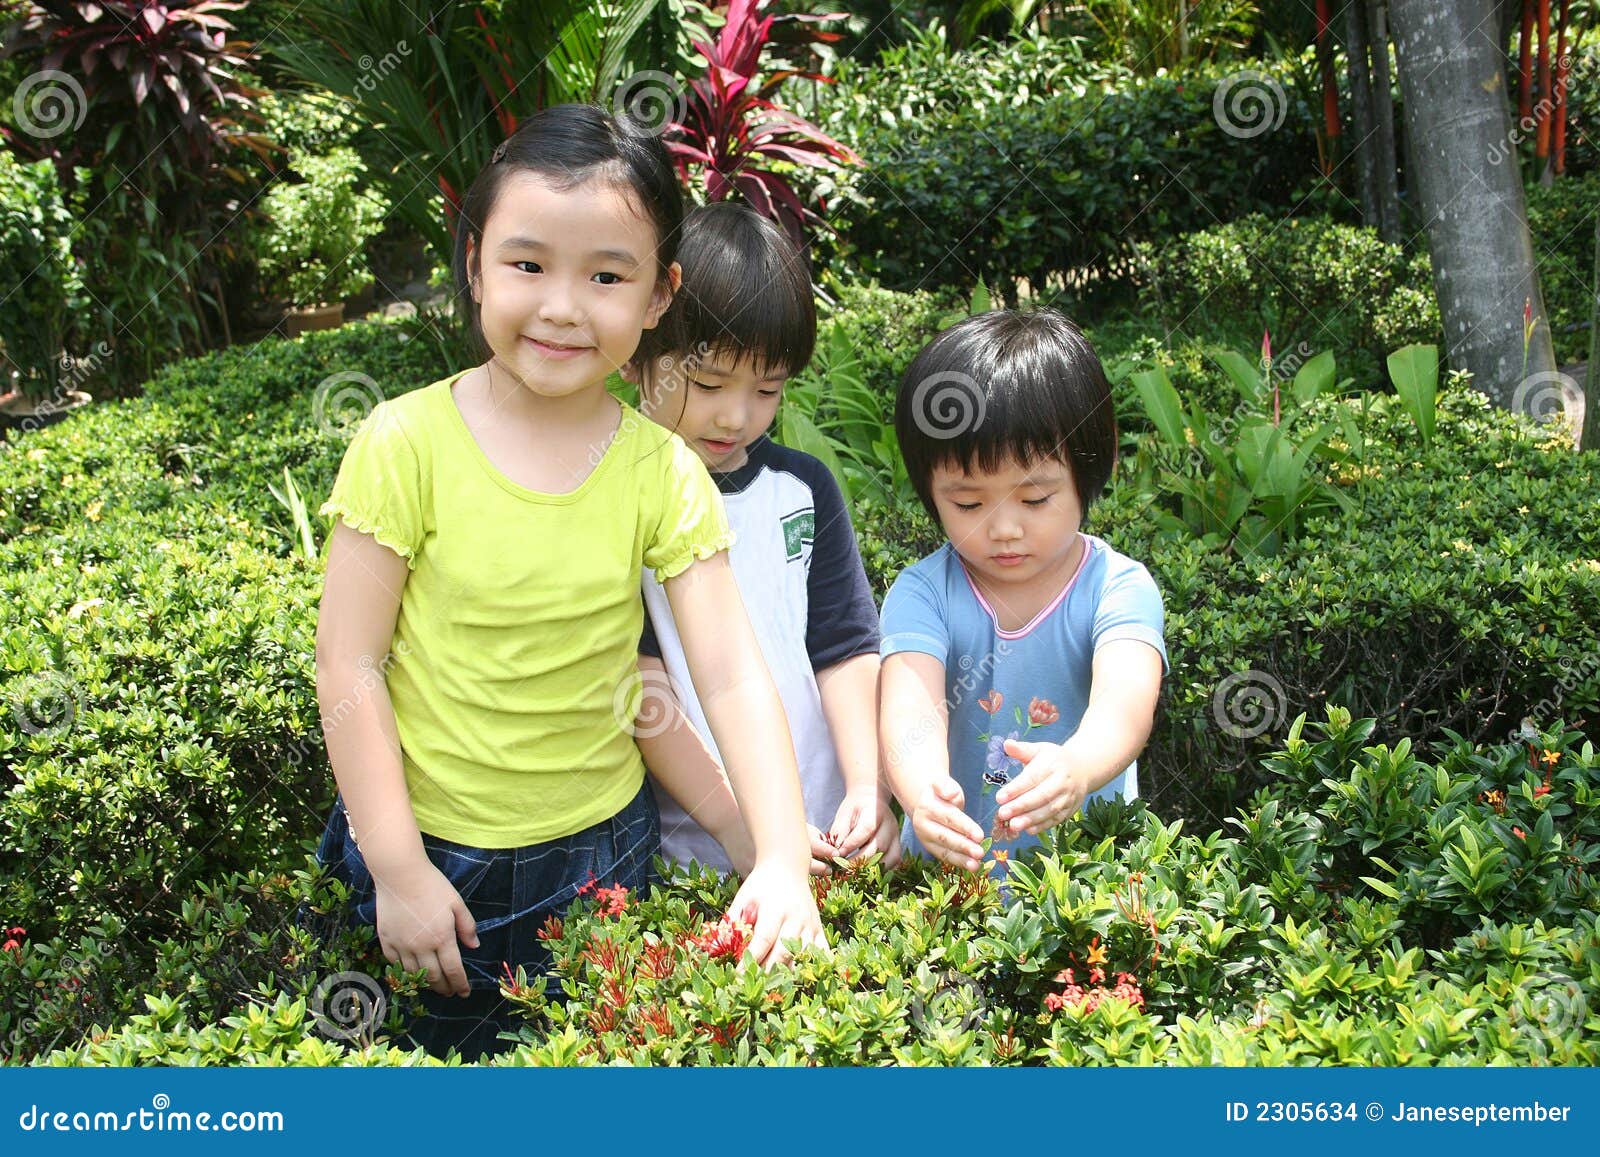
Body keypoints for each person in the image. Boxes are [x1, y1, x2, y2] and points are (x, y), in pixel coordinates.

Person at [308, 104, 823, 1061]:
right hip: (428, 850)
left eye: (607, 276)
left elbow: (731, 673)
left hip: (600, 853)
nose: (561, 305)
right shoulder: (406, 442)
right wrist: (397, 865)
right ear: (473, 262)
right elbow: (348, 663)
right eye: (527, 263)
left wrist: (782, 855)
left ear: (660, 295)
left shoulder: (660, 469)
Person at [624, 202, 898, 876]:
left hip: (835, 833)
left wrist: (869, 786)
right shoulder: (616, 498)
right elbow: (643, 693)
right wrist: (750, 831)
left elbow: (845, 649)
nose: (736, 415)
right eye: (708, 381)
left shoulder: (802, 489)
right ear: (635, 350)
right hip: (697, 853)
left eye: (767, 389)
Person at [877, 309, 1168, 873]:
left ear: (1089, 473)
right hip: (949, 887)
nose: (1004, 528)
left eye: (1034, 500)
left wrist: (1077, 767)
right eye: (967, 503)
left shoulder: (1117, 588)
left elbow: (1125, 705)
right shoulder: (923, 594)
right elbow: (910, 712)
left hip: (1084, 889)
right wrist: (922, 795)